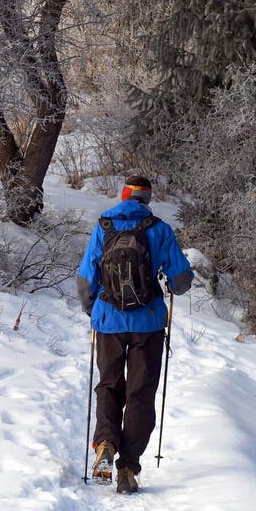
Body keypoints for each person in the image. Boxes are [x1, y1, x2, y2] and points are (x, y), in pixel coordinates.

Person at [77, 175, 193, 494]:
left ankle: (104, 444)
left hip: (109, 322)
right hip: (148, 324)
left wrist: (94, 311)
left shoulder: (104, 227)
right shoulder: (159, 229)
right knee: (140, 392)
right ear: (147, 198)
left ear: (124, 195)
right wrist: (171, 284)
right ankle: (128, 466)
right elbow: (181, 280)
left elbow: (86, 279)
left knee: (110, 385)